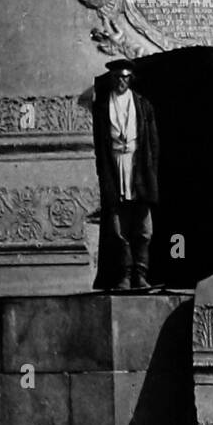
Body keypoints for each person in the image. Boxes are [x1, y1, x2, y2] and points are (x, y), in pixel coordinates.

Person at [91, 58, 160, 291]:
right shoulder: (102, 107)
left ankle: (141, 273)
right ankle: (125, 275)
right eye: (117, 77)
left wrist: (150, 173)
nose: (121, 81)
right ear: (112, 79)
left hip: (138, 168)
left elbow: (153, 143)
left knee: (144, 228)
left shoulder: (142, 104)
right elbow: (100, 147)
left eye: (125, 77)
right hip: (115, 167)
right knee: (119, 229)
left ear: (130, 79)